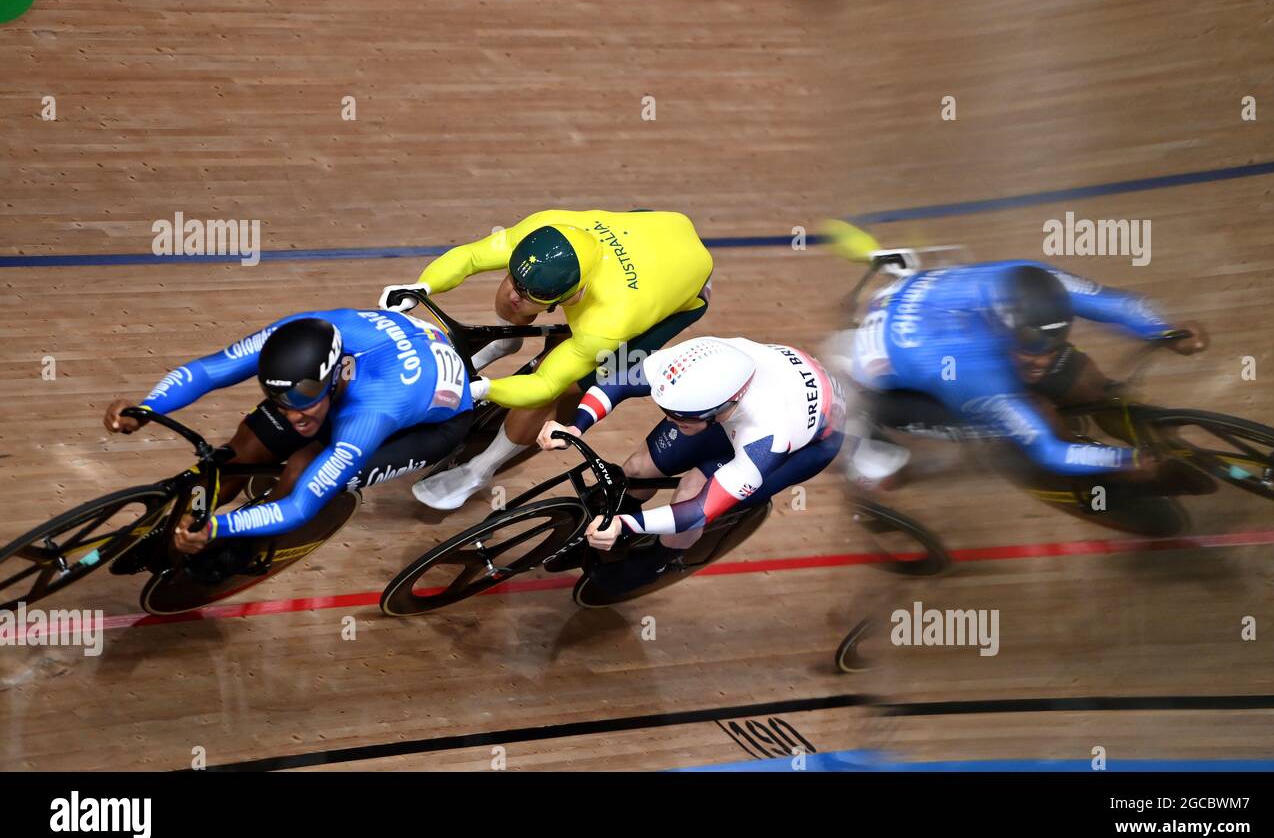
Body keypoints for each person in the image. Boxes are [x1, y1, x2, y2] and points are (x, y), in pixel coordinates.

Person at [820, 228, 1208, 497]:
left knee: (1086, 379)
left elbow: (1113, 302)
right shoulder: (964, 369)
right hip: (899, 386)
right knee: (1037, 417)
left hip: (925, 315)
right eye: (1031, 349)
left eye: (1051, 343)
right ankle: (866, 460)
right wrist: (1123, 461)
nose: (1043, 361)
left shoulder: (1032, 279)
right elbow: (1049, 450)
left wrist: (1164, 329)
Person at [378, 209, 714, 511]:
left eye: (531, 293)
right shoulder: (545, 227)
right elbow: (470, 257)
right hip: (651, 227)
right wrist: (421, 286)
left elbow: (545, 383)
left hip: (678, 292)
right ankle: (504, 343)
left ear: (574, 294)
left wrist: (486, 389)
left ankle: (479, 470)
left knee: (565, 386)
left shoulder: (609, 321)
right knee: (518, 294)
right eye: (516, 279)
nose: (513, 293)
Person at [103, 309, 474, 562]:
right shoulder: (296, 332)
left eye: (302, 403)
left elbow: (299, 506)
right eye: (280, 401)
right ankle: (193, 516)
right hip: (371, 369)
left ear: (333, 376)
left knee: (299, 471)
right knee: (238, 454)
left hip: (428, 424)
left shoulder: (371, 416)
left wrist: (221, 527)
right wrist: (149, 408)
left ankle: (248, 551)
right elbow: (209, 371)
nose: (292, 416)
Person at [537, 336, 845, 592]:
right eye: (666, 410)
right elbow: (617, 383)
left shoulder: (768, 433)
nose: (669, 420)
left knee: (691, 489)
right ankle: (619, 526)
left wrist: (624, 525)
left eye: (679, 416)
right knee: (637, 469)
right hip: (760, 391)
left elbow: (696, 511)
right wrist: (575, 426)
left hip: (810, 443)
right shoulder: (690, 360)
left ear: (718, 410)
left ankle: (657, 561)